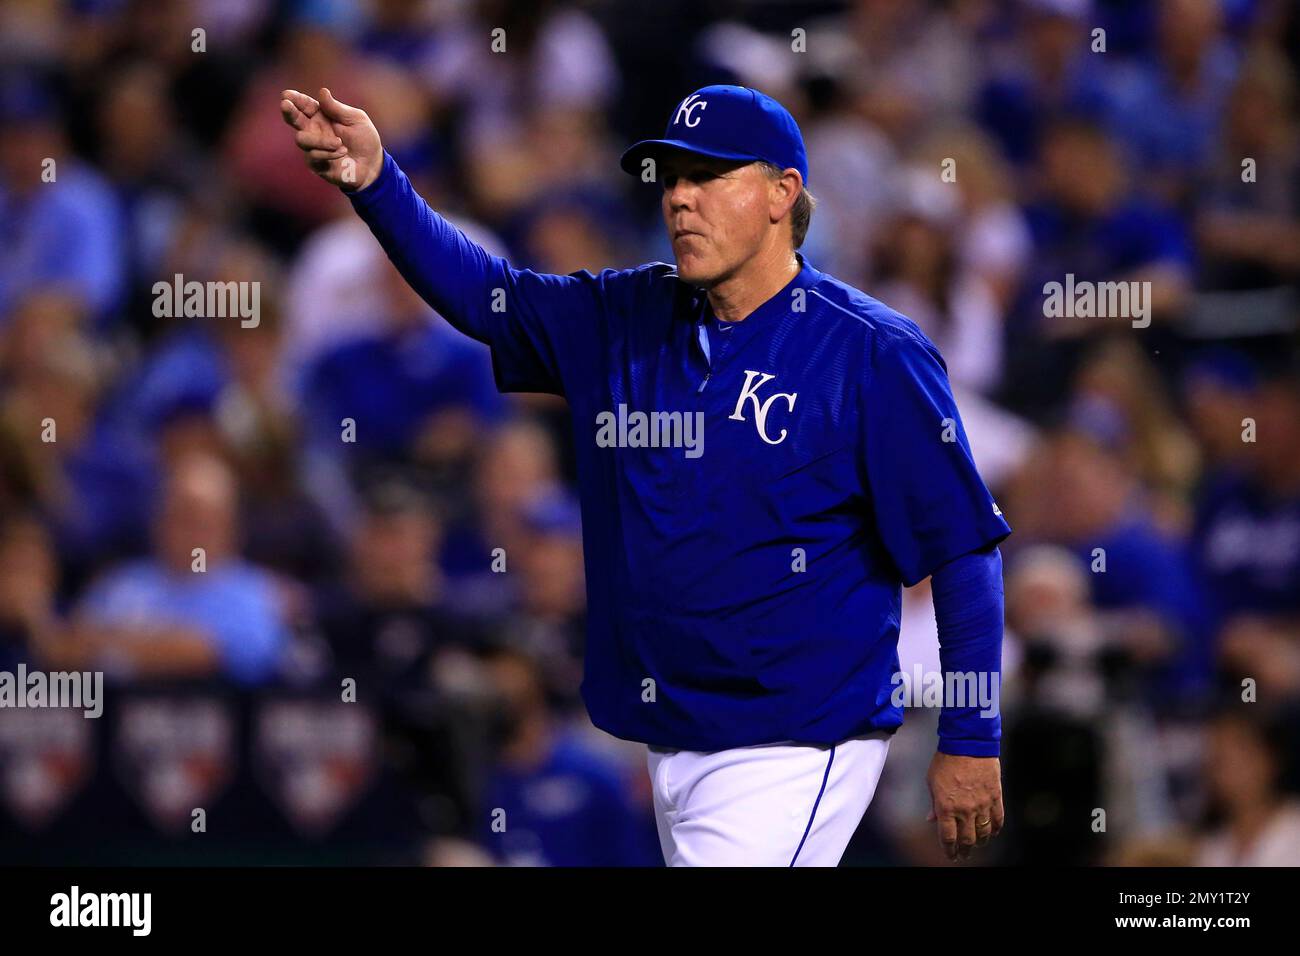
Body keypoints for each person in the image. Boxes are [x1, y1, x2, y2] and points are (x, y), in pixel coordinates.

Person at [280, 83, 1011, 866]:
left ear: (781, 193)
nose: (680, 200)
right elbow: (487, 299)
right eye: (671, 179)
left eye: (708, 176)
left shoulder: (870, 353)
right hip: (670, 739)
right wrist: (377, 184)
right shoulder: (625, 316)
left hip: (793, 742)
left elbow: (963, 548)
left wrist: (971, 737)